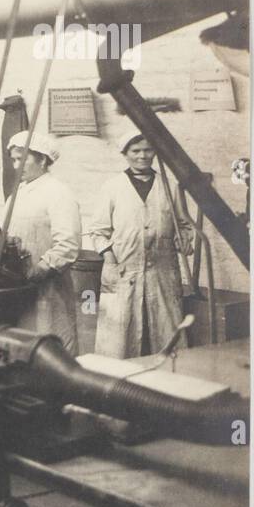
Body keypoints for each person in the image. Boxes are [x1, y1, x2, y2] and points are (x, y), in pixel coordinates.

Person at [88, 129, 194, 358]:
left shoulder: (169, 185)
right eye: (135, 151)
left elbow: (183, 225)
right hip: (123, 268)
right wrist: (110, 259)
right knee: (119, 336)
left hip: (162, 270)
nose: (142, 156)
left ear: (155, 152)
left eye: (147, 150)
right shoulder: (112, 186)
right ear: (125, 153)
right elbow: (98, 231)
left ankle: (166, 382)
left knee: (165, 331)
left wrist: (183, 239)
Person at [4, 130, 83, 354]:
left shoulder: (58, 193)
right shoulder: (17, 194)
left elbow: (68, 243)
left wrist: (41, 268)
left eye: (23, 159)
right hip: (17, 287)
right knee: (22, 347)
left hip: (48, 289)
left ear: (42, 159)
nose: (16, 165)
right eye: (14, 159)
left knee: (50, 348)